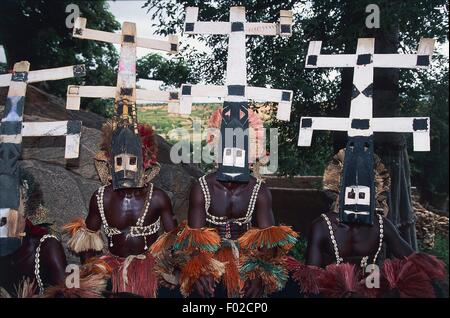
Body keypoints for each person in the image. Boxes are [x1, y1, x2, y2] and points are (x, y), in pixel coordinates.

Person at [151, 108, 298, 298]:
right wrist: (199, 269)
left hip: (247, 257)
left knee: (287, 287)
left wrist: (260, 273)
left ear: (249, 152)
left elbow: (268, 240)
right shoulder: (202, 187)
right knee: (180, 287)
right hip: (210, 257)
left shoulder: (259, 191)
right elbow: (195, 238)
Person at [288, 144, 447, 298]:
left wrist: (433, 278)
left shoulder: (381, 225)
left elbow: (413, 258)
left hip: (371, 290)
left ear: (373, 196)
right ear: (340, 194)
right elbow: (311, 277)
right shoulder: (322, 226)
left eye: (362, 196)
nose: (356, 202)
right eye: (351, 195)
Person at [64, 122, 178, 298]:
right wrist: (90, 272)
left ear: (143, 162)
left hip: (150, 268)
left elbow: (175, 238)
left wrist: (169, 268)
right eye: (119, 161)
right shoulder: (101, 197)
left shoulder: (157, 197)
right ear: (110, 163)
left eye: (132, 161)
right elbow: (87, 240)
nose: (125, 168)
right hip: (112, 267)